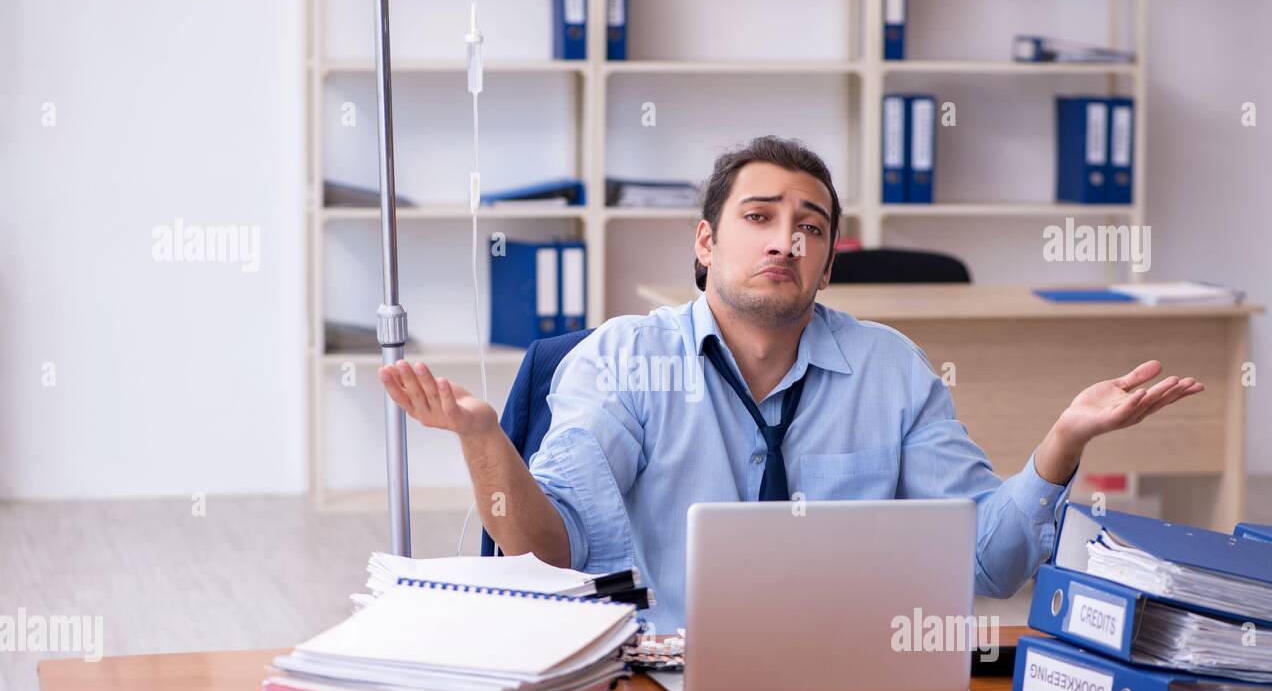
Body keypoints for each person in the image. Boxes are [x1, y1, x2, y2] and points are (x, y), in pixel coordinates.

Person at [378, 135, 1203, 631]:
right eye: (759, 216)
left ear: (826, 259)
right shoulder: (626, 359)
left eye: (810, 227)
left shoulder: (888, 368)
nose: (786, 241)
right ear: (705, 243)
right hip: (665, 679)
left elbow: (990, 566)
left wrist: (1061, 444)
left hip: (850, 680)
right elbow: (553, 556)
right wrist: (485, 443)